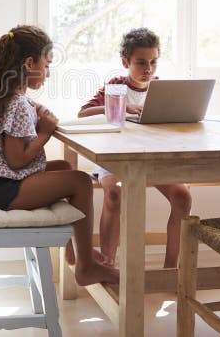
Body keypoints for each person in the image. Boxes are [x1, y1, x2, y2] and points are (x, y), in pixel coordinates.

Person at [0, 25, 119, 286]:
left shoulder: (7, 96)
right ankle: (86, 266)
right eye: (46, 65)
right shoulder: (18, 105)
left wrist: (36, 114)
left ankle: (75, 249)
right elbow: (17, 161)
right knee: (80, 181)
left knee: (61, 166)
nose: (48, 73)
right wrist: (45, 133)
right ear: (29, 63)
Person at [78, 27, 192, 268]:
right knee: (115, 194)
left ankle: (171, 268)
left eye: (153, 62)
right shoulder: (116, 87)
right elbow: (83, 113)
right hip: (116, 160)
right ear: (125, 62)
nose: (148, 69)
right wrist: (117, 106)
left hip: (154, 160)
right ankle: (107, 263)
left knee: (182, 197)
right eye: (141, 63)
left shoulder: (161, 89)